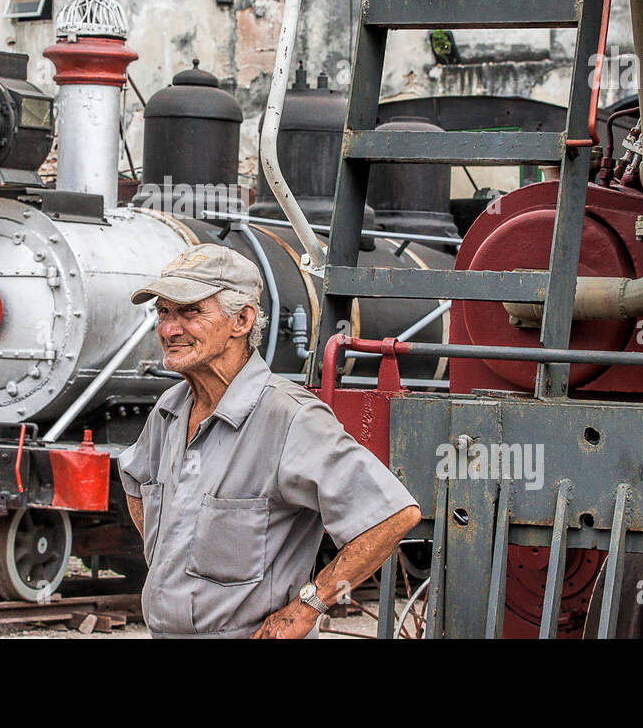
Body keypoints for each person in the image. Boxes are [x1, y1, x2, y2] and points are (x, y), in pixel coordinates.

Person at [118, 244, 421, 638]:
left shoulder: (289, 416)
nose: (169, 329)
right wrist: (172, 561)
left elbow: (392, 516)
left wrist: (306, 608)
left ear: (241, 320)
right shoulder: (170, 408)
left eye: (190, 312)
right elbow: (136, 482)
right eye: (163, 312)